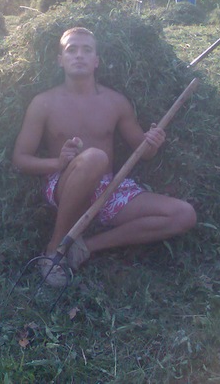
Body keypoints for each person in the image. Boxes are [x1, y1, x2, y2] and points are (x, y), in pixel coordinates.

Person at [12, 27, 197, 287]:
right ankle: (54, 249)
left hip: (109, 189)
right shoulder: (43, 103)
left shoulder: (115, 102)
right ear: (60, 60)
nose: (79, 55)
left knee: (184, 215)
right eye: (71, 50)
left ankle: (84, 247)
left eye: (87, 50)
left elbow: (143, 152)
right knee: (94, 158)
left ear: (96, 61)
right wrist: (58, 163)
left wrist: (153, 143)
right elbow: (20, 159)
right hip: (65, 185)